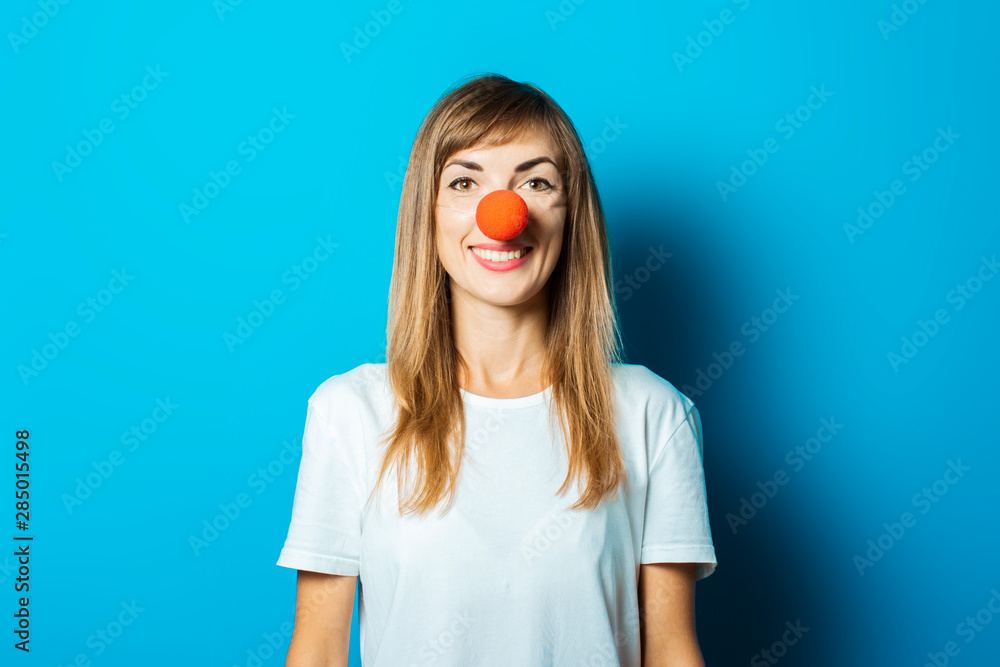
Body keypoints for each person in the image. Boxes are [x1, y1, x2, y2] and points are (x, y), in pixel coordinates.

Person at [276, 72, 717, 667]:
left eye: (536, 182)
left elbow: (670, 651)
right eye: (464, 181)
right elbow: (318, 654)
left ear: (571, 215)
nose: (501, 213)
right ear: (427, 215)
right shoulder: (349, 412)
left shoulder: (652, 413)